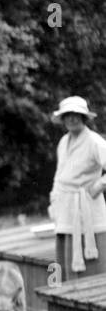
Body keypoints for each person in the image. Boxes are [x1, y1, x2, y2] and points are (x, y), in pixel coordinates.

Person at [48, 95, 106, 281]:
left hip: (88, 208)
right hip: (65, 209)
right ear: (63, 118)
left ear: (84, 118)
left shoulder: (95, 141)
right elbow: (59, 175)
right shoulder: (63, 142)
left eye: (76, 115)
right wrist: (54, 200)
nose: (72, 119)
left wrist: (100, 184)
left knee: (93, 262)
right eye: (68, 115)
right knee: (64, 259)